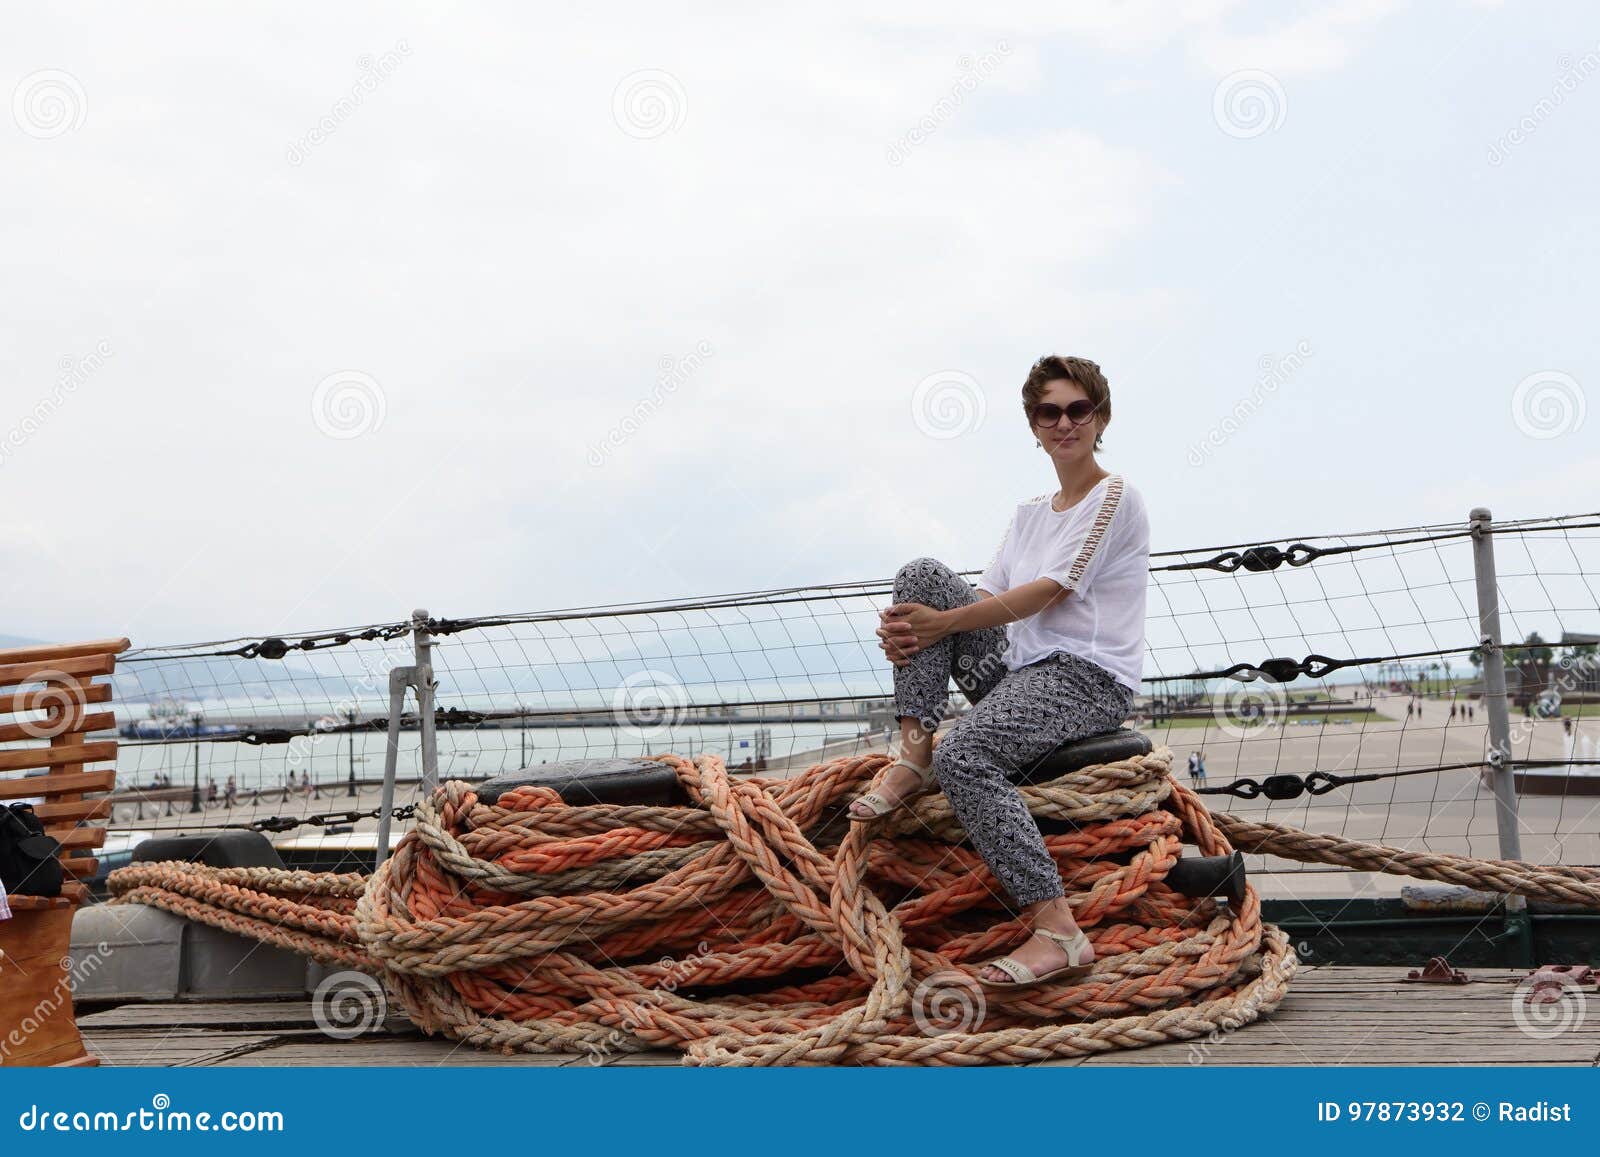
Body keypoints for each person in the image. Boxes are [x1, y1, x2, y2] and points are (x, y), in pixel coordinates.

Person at [854, 354, 1149, 989]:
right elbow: (981, 600)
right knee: (921, 579)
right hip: (1018, 670)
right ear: (1033, 425)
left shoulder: (1114, 496)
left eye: (1079, 410)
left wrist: (939, 627)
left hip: (1085, 677)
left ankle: (1058, 932)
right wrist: (913, 626)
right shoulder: (1029, 514)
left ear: (1101, 418)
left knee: (966, 755)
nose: (1065, 423)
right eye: (1050, 412)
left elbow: (1050, 591)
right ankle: (912, 757)